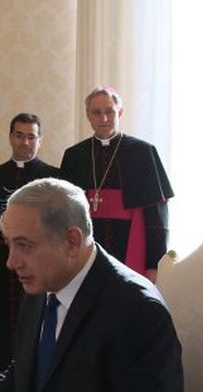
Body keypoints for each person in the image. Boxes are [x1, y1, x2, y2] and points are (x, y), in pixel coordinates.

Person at [0, 178, 186, 392]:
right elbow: (27, 377)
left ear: (72, 242)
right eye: (9, 244)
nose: (11, 262)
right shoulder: (41, 285)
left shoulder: (138, 311)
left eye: (24, 245)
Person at [0, 113, 58, 380]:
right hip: (2, 256)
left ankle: (34, 376)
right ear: (10, 137)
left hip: (39, 259)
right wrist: (9, 228)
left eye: (31, 136)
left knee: (35, 316)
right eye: (19, 135)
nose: (25, 142)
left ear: (40, 141)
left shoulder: (52, 177)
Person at [58, 87, 174, 281]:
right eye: (96, 112)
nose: (104, 119)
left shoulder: (143, 152)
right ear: (88, 116)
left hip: (129, 244)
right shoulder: (74, 155)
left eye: (110, 112)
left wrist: (154, 264)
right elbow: (64, 214)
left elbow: (157, 217)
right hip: (87, 247)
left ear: (120, 113)